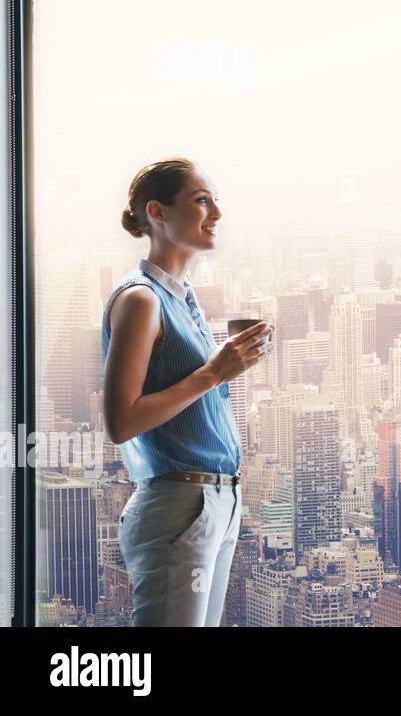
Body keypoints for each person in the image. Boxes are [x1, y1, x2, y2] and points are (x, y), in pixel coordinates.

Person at [101, 157, 273, 626]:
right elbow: (121, 421)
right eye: (201, 201)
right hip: (180, 505)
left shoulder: (183, 297)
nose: (216, 212)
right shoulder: (141, 299)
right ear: (157, 212)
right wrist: (214, 373)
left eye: (216, 201)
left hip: (217, 502)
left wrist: (225, 367)